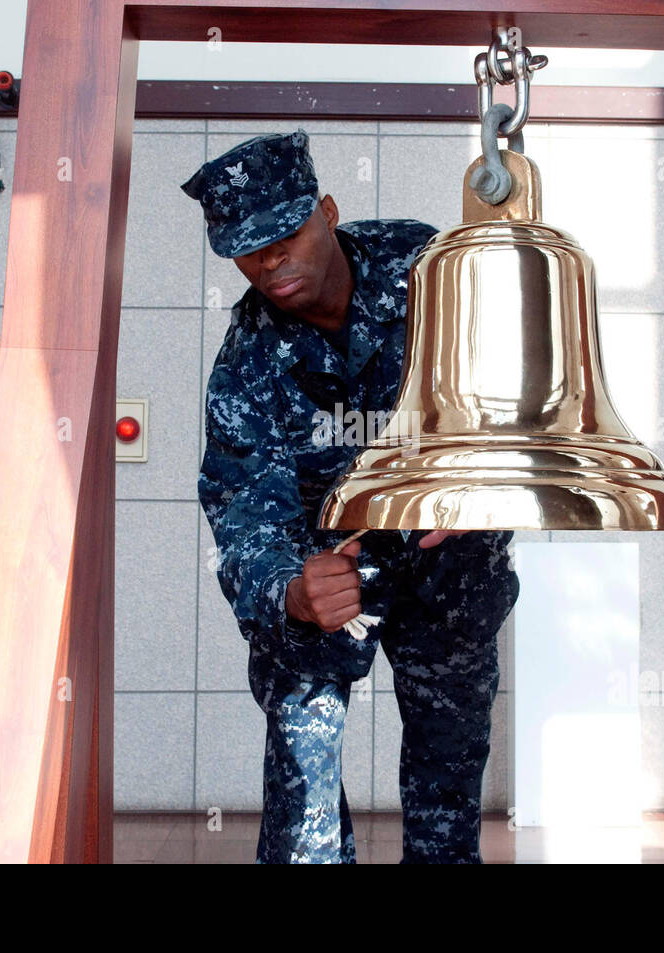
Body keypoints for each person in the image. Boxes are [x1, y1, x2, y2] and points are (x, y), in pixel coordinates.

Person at [182, 128, 519, 864]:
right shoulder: (248, 361)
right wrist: (289, 590)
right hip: (327, 572)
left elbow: (515, 389)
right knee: (303, 803)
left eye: (284, 235)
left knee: (447, 791)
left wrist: (478, 483)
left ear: (327, 211)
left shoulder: (428, 270)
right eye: (246, 247)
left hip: (449, 568)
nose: (268, 261)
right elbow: (241, 506)